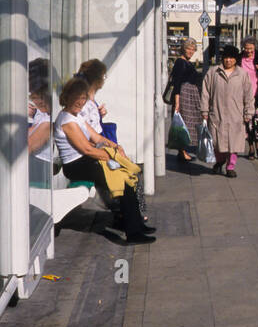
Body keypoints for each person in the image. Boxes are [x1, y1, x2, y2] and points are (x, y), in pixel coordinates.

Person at [54, 77, 154, 243]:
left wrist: (116, 147)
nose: (80, 102)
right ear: (68, 97)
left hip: (87, 160)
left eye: (83, 99)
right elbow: (86, 148)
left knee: (129, 179)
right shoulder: (66, 120)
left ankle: (135, 224)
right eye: (77, 99)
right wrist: (111, 158)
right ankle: (133, 232)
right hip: (76, 165)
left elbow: (96, 137)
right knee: (122, 179)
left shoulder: (76, 117)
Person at [200, 44, 253, 177]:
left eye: (231, 58)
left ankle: (230, 167)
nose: (228, 60)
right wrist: (204, 111)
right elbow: (205, 93)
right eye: (226, 57)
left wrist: (248, 112)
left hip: (236, 115)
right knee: (218, 142)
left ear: (235, 59)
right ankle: (220, 162)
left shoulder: (242, 74)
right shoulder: (213, 72)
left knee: (234, 142)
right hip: (217, 114)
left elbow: (248, 95)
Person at [168, 38, 203, 164]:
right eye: (188, 48)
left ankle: (182, 152)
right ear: (183, 48)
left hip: (189, 95)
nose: (190, 51)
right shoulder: (180, 62)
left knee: (186, 123)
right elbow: (177, 83)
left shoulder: (187, 62)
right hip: (184, 96)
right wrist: (177, 102)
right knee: (184, 123)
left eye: (193, 49)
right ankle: (182, 152)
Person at [239, 37, 258, 159]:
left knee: (257, 123)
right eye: (246, 48)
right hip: (242, 97)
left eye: (251, 49)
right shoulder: (238, 58)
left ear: (255, 47)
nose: (249, 51)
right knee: (247, 124)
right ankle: (251, 147)